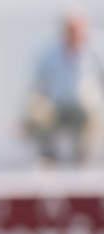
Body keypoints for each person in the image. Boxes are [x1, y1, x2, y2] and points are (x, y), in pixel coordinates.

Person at [24, 11, 104, 164]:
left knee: (91, 119)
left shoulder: (95, 53)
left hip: (85, 107)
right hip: (57, 106)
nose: (74, 34)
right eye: (70, 29)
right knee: (38, 115)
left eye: (77, 29)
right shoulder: (49, 54)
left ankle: (82, 159)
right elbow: (38, 85)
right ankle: (48, 157)